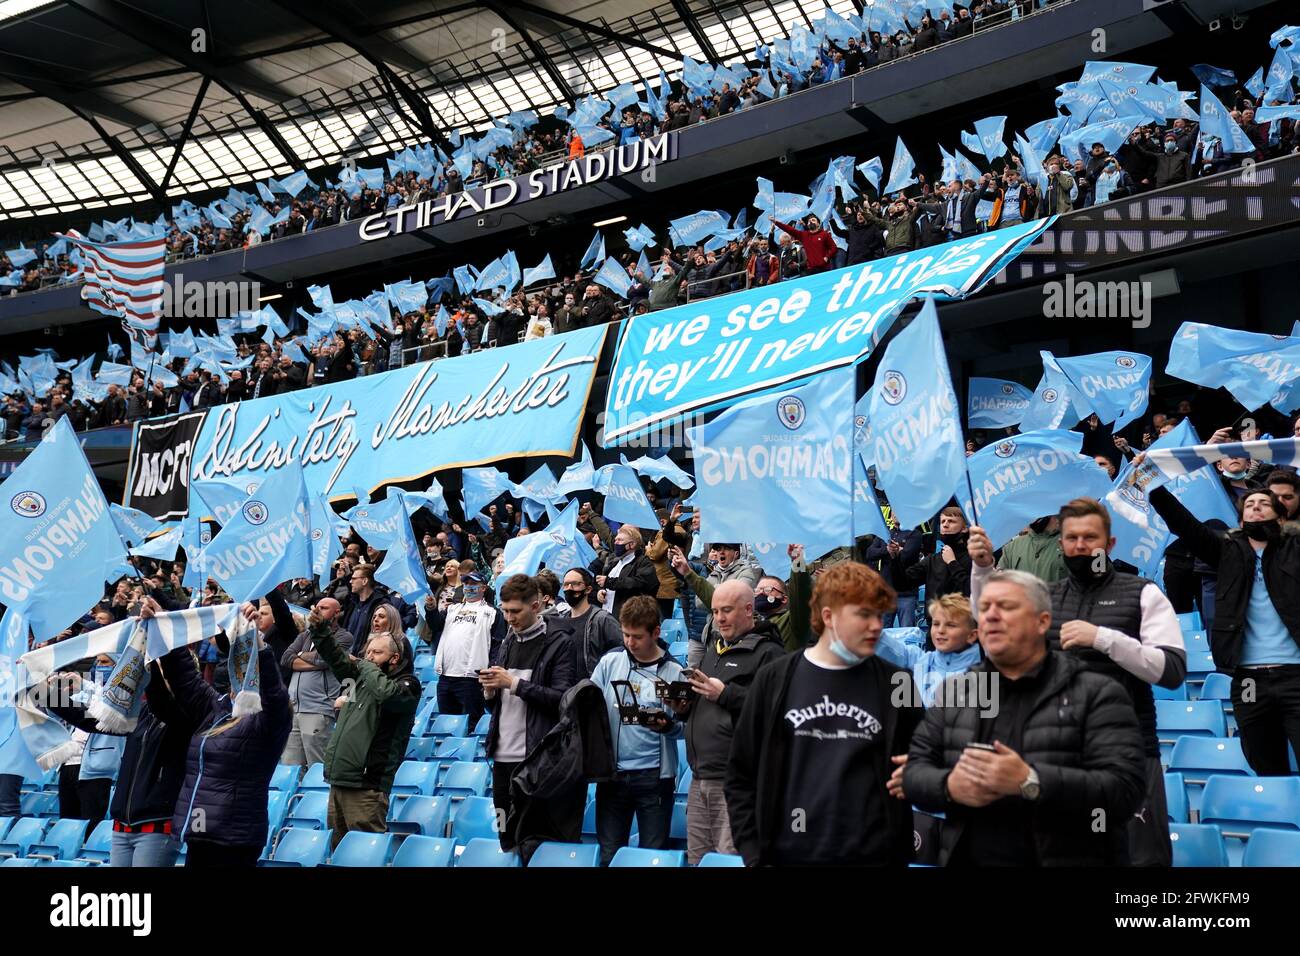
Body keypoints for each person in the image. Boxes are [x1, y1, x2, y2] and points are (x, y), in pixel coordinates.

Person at [970, 497, 1185, 866]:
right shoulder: (1046, 600)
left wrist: (1103, 638)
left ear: (1110, 544)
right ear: (1061, 543)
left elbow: (1170, 671)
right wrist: (983, 568)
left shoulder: (1143, 592)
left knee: (1140, 860)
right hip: (1059, 758)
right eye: (1072, 538)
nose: (1081, 546)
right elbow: (995, 637)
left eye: (1090, 537)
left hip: (1128, 755)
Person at [904, 569, 1146, 865]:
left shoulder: (1098, 692)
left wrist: (1031, 781)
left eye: (1006, 607)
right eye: (984, 609)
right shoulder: (957, 691)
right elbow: (914, 772)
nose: (990, 617)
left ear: (1042, 621)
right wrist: (949, 786)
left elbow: (1125, 791)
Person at [726, 562, 923, 866]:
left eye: (879, 616)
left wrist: (918, 771)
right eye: (863, 615)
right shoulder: (774, 679)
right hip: (789, 855)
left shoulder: (900, 683)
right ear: (828, 616)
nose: (876, 626)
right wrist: (754, 852)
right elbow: (741, 772)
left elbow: (925, 760)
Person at [1143, 478, 1300, 776]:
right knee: (1266, 766)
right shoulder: (1227, 552)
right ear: (1240, 519)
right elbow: (1184, 524)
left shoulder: (1294, 550)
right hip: (1249, 681)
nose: (1256, 509)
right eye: (1250, 505)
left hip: (1295, 675)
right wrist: (1153, 485)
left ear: (1280, 518)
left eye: (1264, 504)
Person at [161, 597, 294, 867]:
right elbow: (185, 677)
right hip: (200, 831)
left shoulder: (267, 718)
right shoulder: (216, 708)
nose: (239, 674)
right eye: (236, 667)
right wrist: (164, 626)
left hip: (234, 838)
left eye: (245, 669)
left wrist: (259, 647)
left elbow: (274, 693)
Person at [669, 579, 784, 864]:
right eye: (716, 611)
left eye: (727, 611)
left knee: (730, 860)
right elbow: (707, 706)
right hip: (700, 779)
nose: (719, 618)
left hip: (736, 783)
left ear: (748, 610)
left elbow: (776, 712)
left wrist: (726, 695)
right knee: (699, 861)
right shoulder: (714, 649)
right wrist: (684, 709)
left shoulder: (770, 653)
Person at [305, 605, 422, 850]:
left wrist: (363, 663)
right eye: (367, 651)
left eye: (375, 653)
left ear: (394, 658)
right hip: (340, 780)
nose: (368, 656)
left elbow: (385, 694)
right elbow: (337, 659)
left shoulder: (408, 684)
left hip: (368, 786)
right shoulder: (360, 680)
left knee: (363, 854)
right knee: (338, 853)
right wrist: (319, 629)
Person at [480, 574, 580, 850]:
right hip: (501, 760)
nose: (509, 618)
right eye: (505, 610)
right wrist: (490, 692)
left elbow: (562, 699)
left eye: (515, 611)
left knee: (532, 840)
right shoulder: (507, 642)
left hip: (536, 761)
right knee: (505, 836)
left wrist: (513, 684)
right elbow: (499, 705)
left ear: (535, 606)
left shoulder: (560, 642)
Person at [588, 596, 685, 865]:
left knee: (651, 856)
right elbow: (590, 703)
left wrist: (667, 727)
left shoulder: (674, 671)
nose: (630, 642)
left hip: (654, 778)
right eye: (626, 635)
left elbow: (686, 728)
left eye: (637, 637)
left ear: (656, 632)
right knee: (609, 855)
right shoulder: (610, 662)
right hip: (612, 776)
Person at [423, 571, 504, 728]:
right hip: (445, 677)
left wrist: (490, 672)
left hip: (472, 679)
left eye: (473, 584)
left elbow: (497, 645)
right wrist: (431, 608)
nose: (469, 587)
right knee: (445, 725)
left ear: (484, 588)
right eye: (466, 583)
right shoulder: (452, 609)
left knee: (473, 724)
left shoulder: (493, 612)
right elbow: (435, 625)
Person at [279, 596, 353, 768]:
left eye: (324, 608)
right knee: (290, 767)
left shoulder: (344, 636)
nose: (317, 611)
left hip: (318, 708)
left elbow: (327, 659)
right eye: (317, 607)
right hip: (294, 707)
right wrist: (314, 661)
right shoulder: (305, 634)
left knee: (317, 767)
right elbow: (286, 658)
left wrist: (300, 657)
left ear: (337, 613)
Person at [877, 593, 984, 706]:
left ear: (972, 636)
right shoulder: (920, 660)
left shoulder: (983, 676)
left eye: (951, 625)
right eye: (936, 624)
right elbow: (886, 645)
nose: (941, 630)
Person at [561, 567, 623, 679]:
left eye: (575, 584)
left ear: (588, 589)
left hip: (594, 688)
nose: (569, 588)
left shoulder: (603, 619)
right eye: (566, 585)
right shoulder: (561, 621)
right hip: (566, 690)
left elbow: (623, 651)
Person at [900, 505, 973, 599]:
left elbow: (972, 590)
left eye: (951, 521)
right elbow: (902, 583)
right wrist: (895, 558)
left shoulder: (974, 559)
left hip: (962, 612)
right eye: (942, 521)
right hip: (934, 613)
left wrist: (952, 563)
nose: (945, 525)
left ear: (964, 528)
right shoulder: (932, 559)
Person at [590, 524, 659, 618]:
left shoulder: (643, 562)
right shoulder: (613, 560)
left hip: (630, 618)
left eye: (620, 540)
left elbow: (641, 583)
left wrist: (609, 582)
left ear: (632, 544)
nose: (616, 543)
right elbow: (601, 582)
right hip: (606, 615)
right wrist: (599, 592)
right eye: (616, 540)